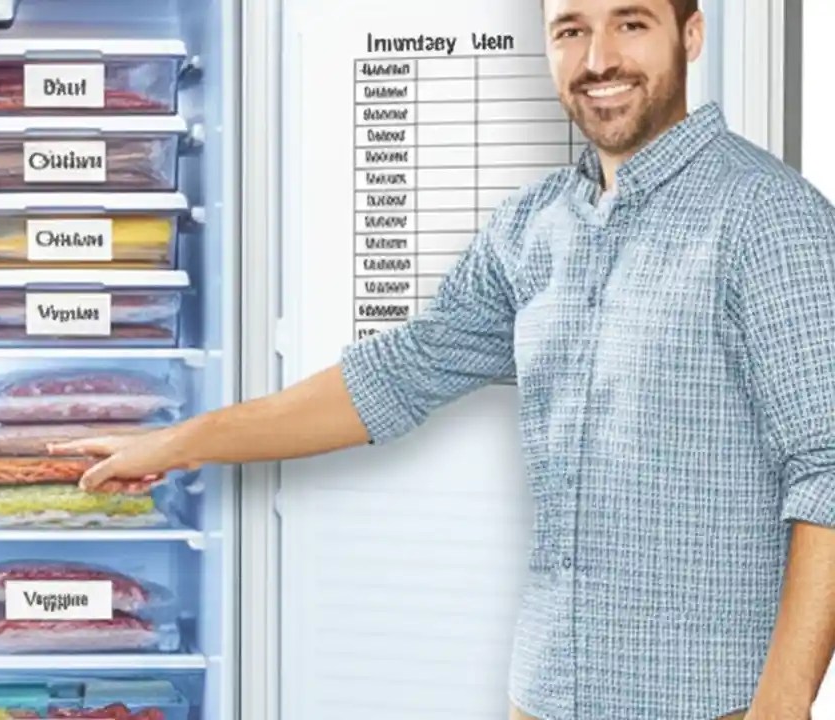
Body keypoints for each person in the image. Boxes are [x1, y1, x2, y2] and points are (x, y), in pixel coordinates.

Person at [50, 0, 835, 717]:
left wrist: (784, 703)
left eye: (631, 23)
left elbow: (827, 465)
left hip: (709, 702)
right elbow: (399, 373)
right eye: (570, 29)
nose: (598, 58)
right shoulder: (533, 227)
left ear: (689, 36)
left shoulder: (769, 217)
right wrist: (179, 440)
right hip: (546, 690)